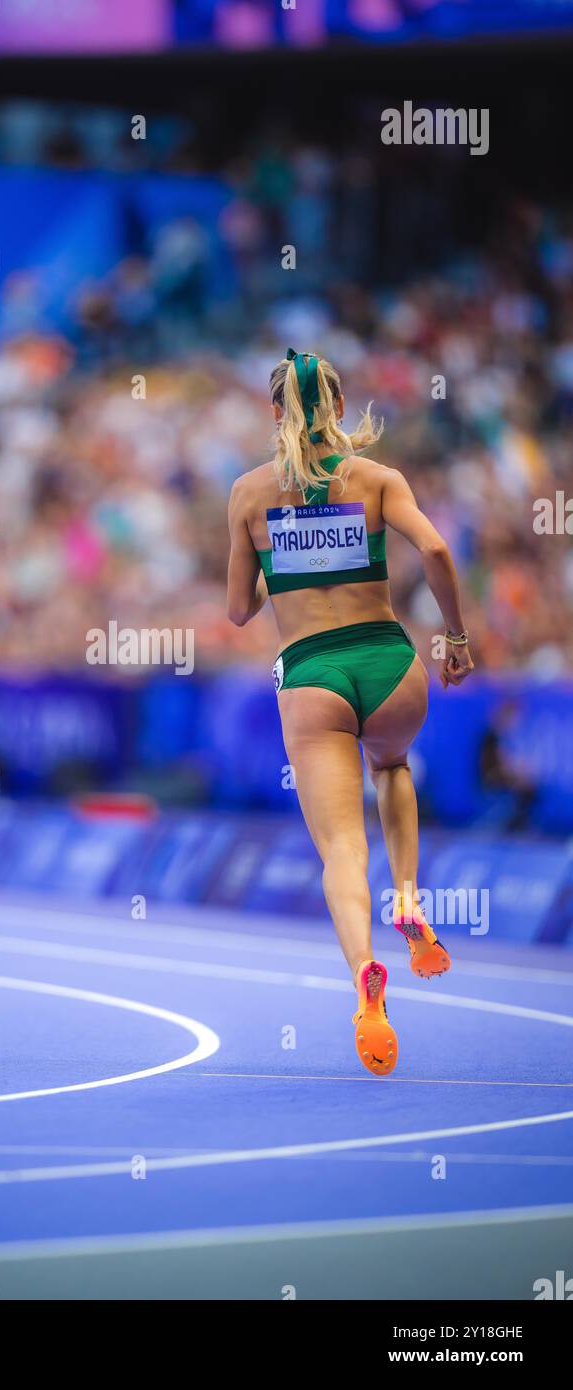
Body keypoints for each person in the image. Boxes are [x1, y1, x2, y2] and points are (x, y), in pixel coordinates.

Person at [226, 349, 474, 1075]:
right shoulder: (376, 479)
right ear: (339, 406)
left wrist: (285, 557)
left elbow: (238, 611)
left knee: (341, 847)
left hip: (314, 676)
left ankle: (366, 973)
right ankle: (408, 896)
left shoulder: (248, 494)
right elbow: (433, 546)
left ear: (277, 414)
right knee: (392, 765)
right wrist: (455, 638)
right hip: (392, 666)